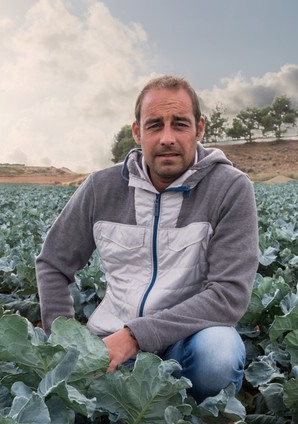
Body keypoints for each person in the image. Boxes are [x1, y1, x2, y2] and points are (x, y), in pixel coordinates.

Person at [36, 75, 259, 401]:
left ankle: (186, 416)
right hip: (109, 342)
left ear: (199, 129)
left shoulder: (230, 188)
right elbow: (53, 263)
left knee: (219, 355)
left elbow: (229, 295)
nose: (167, 138)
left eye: (179, 124)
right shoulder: (101, 188)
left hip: (184, 342)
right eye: (155, 125)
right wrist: (67, 339)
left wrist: (137, 335)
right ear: (138, 132)